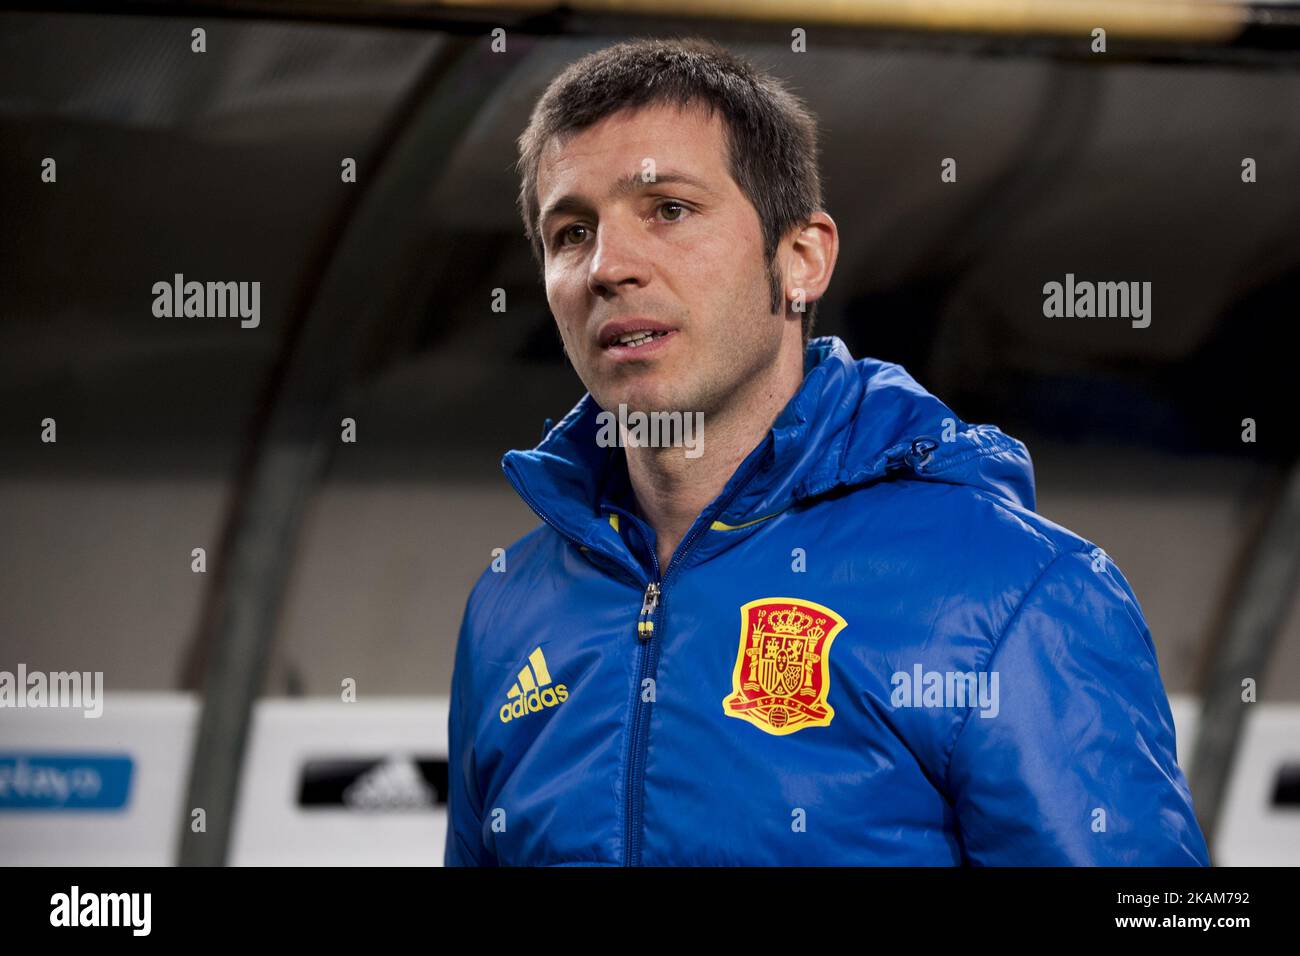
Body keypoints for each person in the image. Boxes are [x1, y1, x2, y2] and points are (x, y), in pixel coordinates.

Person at [444, 37, 1209, 866]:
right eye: (571, 231)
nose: (609, 266)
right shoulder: (508, 608)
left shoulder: (1007, 589)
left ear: (800, 259)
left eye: (668, 209)